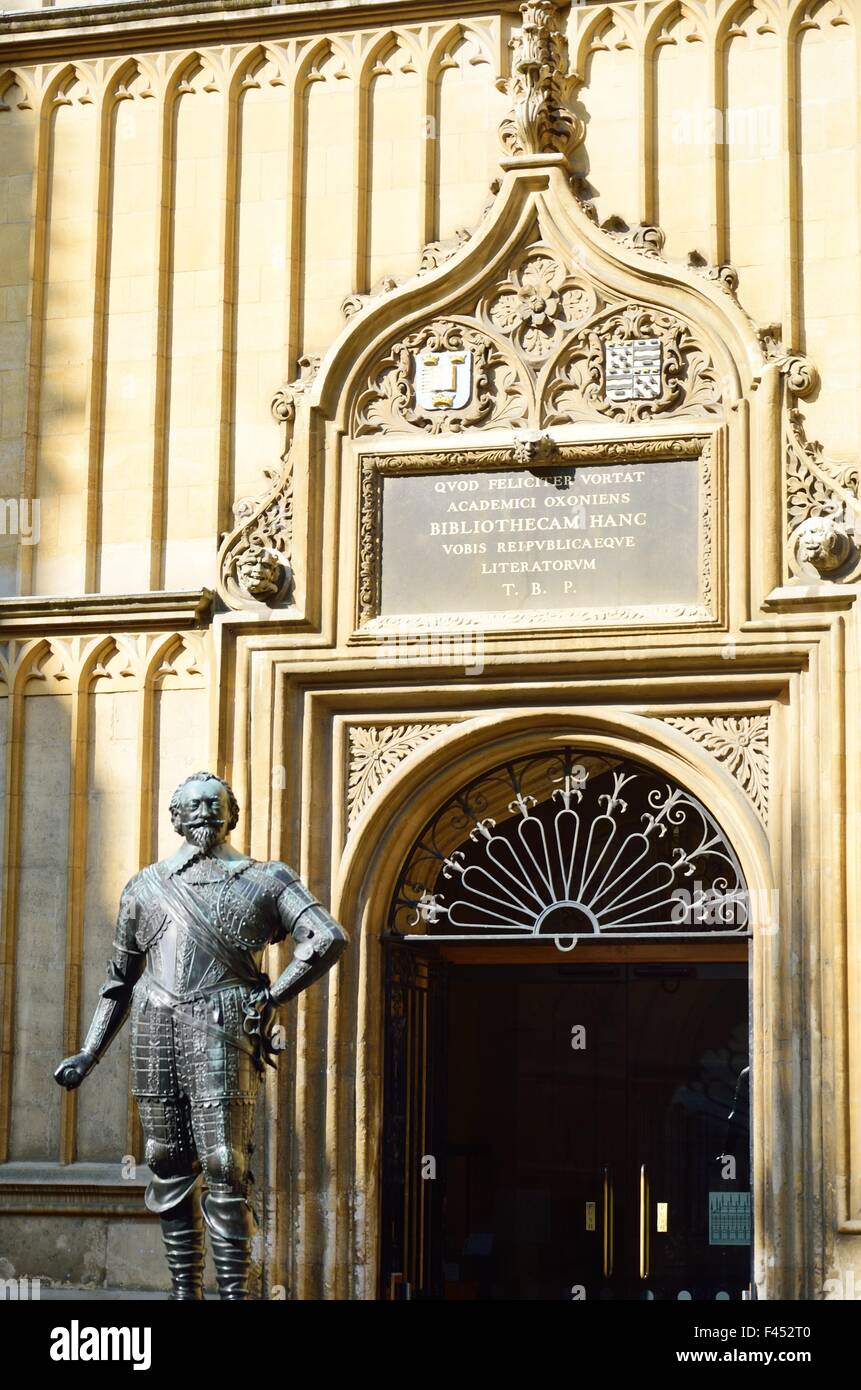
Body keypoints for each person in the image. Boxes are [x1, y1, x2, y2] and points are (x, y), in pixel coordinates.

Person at [55, 771, 348, 1300]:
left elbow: (326, 937)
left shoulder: (267, 878)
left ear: (231, 815)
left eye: (215, 805)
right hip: (155, 1024)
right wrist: (88, 1051)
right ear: (174, 818)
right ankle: (183, 1291)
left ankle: (236, 1293)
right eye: (192, 806)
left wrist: (274, 994)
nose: (204, 815)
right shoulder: (143, 886)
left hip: (222, 1021)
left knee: (223, 1163)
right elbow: (119, 979)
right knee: (166, 1159)